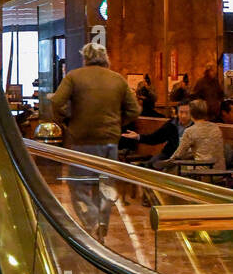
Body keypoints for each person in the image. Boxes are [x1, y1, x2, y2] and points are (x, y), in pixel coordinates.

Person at [49, 42, 139, 242]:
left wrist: (64, 121)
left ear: (85, 58)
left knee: (78, 187)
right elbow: (134, 110)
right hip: (110, 143)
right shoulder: (118, 80)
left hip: (82, 141)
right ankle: (102, 227)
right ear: (105, 58)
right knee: (105, 187)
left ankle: (92, 220)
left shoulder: (74, 76)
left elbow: (56, 101)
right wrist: (117, 123)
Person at [167, 98, 226, 172]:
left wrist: (166, 162)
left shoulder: (190, 131)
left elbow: (178, 154)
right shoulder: (216, 127)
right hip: (220, 171)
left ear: (191, 113)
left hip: (203, 172)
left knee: (170, 170)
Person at [142, 101, 193, 166]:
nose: (183, 116)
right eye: (181, 112)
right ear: (177, 112)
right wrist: (138, 137)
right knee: (152, 163)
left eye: (186, 113)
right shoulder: (172, 124)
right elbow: (156, 137)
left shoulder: (195, 125)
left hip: (187, 156)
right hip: (169, 154)